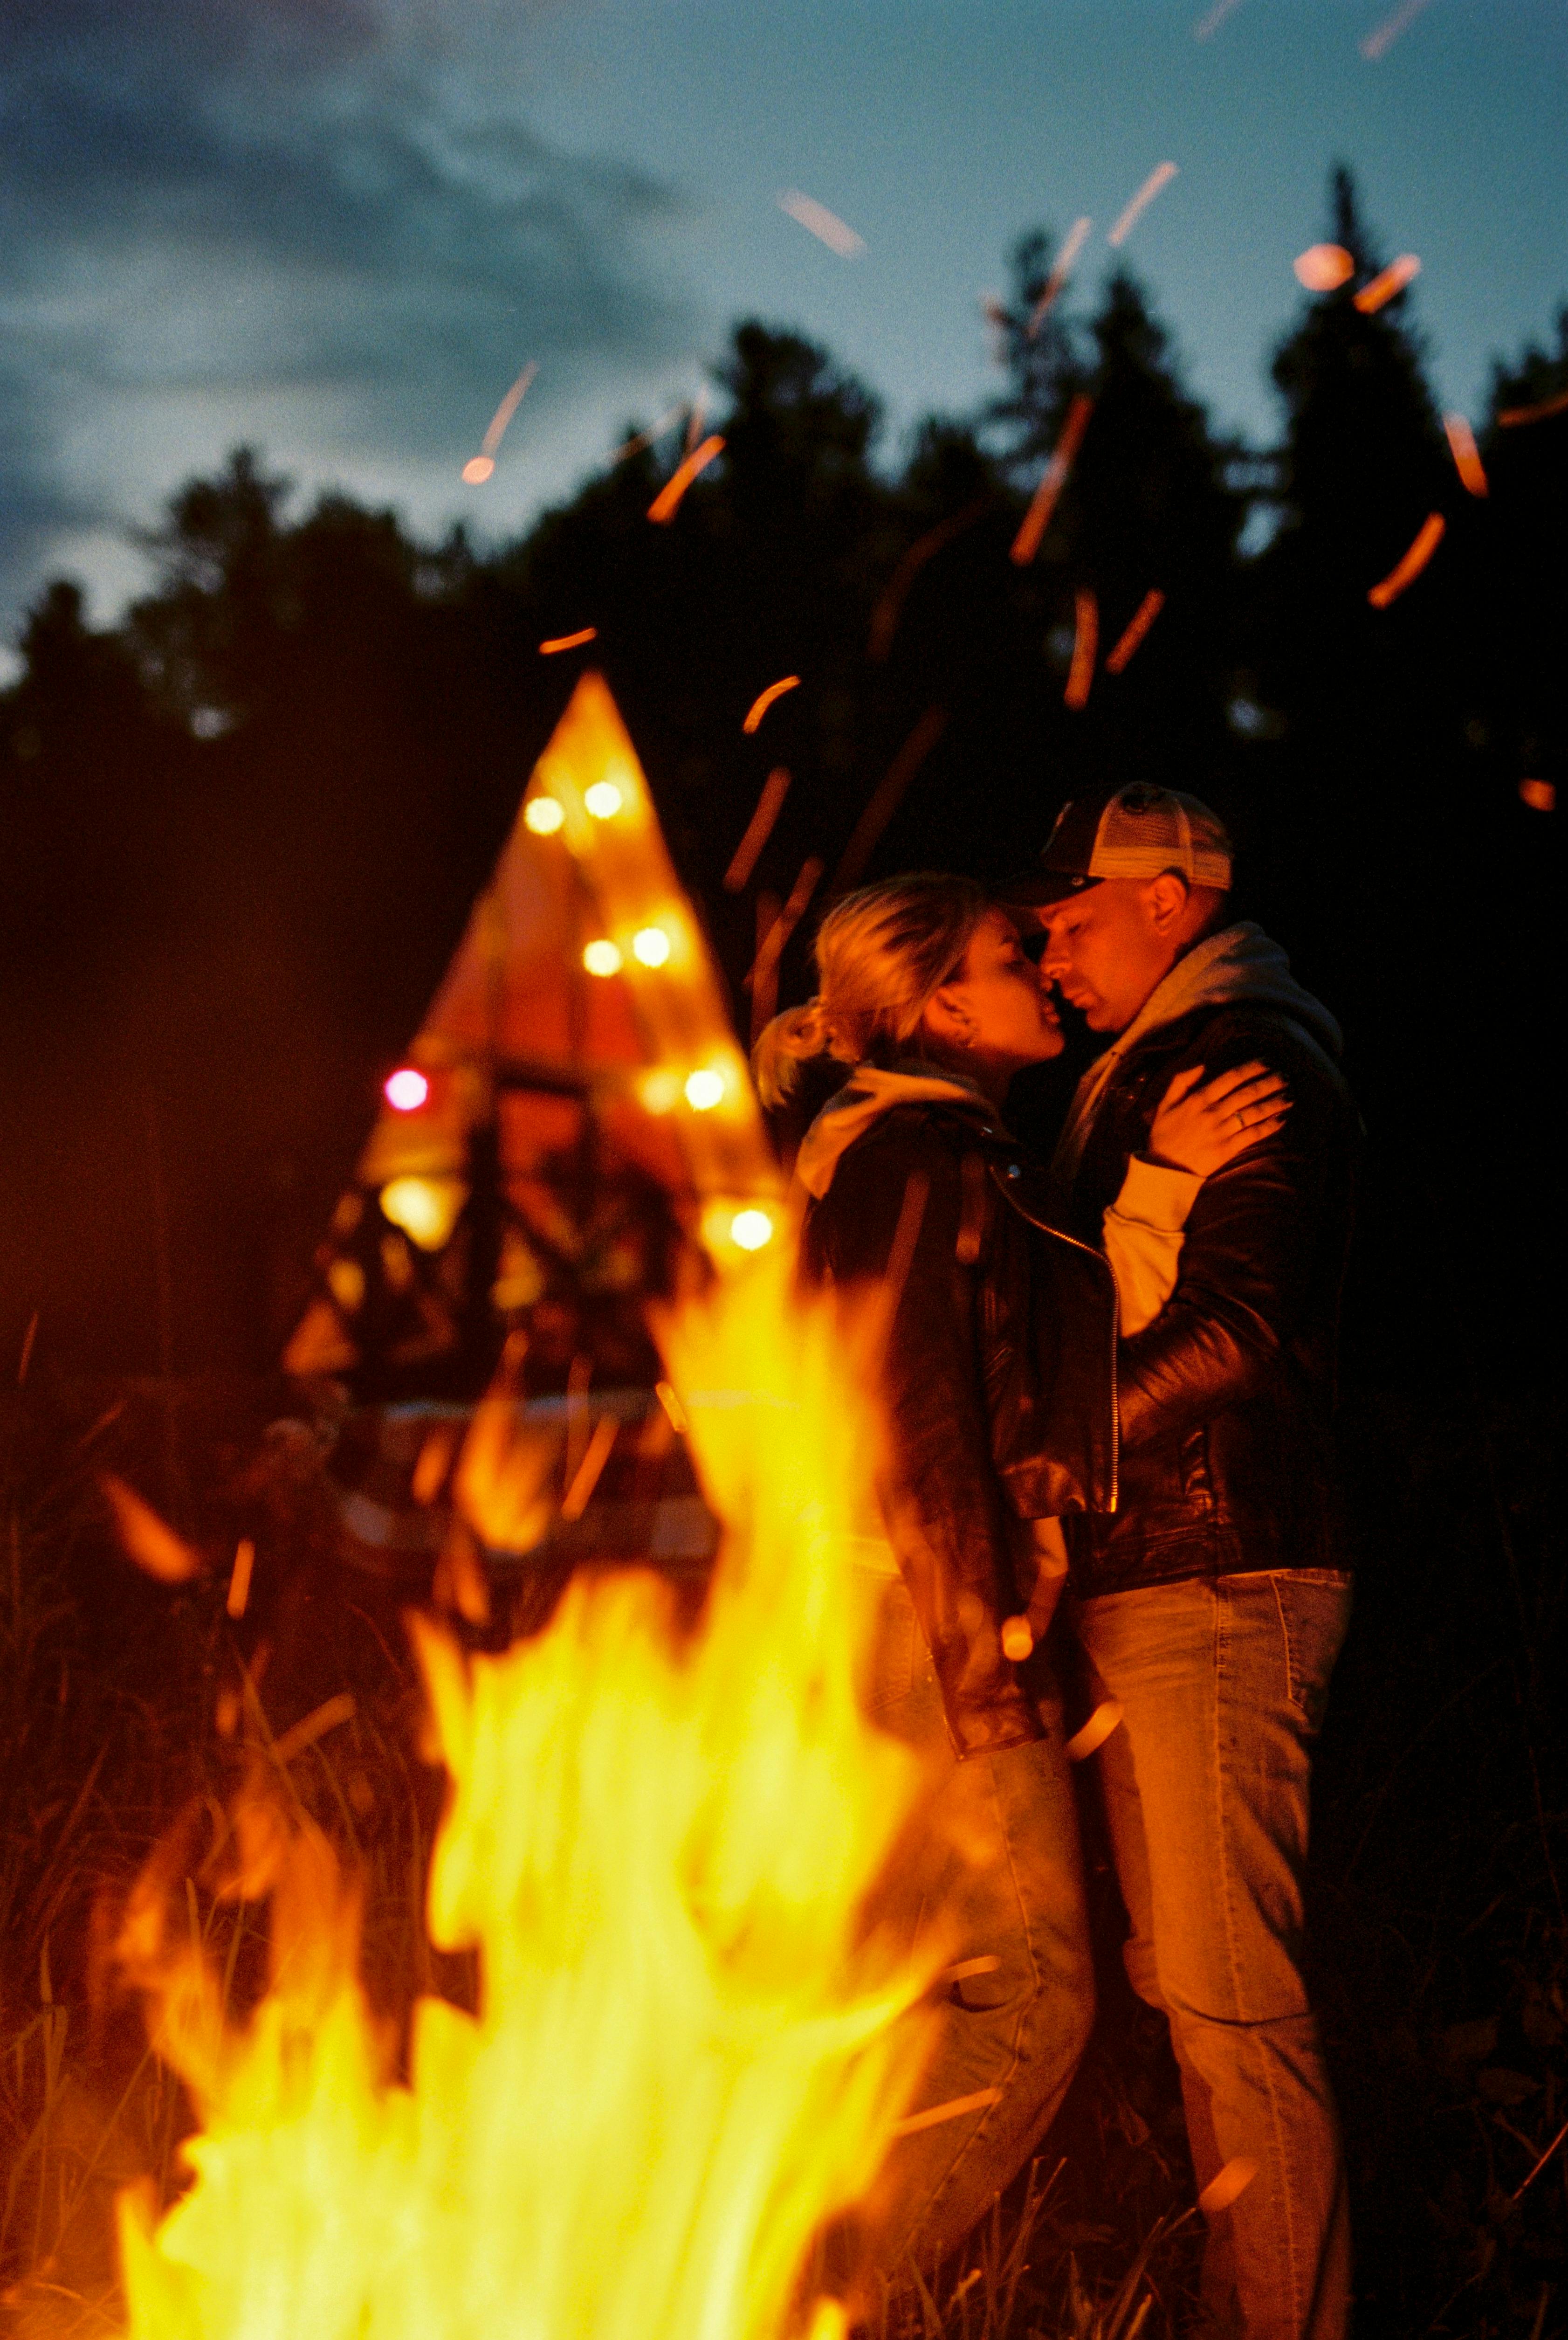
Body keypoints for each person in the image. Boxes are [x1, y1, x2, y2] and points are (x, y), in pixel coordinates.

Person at [752, 872, 1289, 2295]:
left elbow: (1032, 1337)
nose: (1039, 973)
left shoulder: (922, 1151)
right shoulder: (916, 1159)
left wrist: (1158, 1176)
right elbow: (920, 1423)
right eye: (1007, 956)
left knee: (898, 1988)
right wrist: (982, 1671)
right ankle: (812, 2308)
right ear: (938, 1004)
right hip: (916, 1605)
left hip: (882, 1601)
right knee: (1033, 1993)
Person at [1008, 783, 1359, 2340]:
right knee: (1191, 1992)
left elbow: (1237, 1332)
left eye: (1068, 921)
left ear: (1166, 896)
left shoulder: (1241, 1052)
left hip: (1216, 1569)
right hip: (1163, 1564)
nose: (1048, 955)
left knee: (1232, 2007)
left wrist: (1047, 1468)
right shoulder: (1155, 1065)